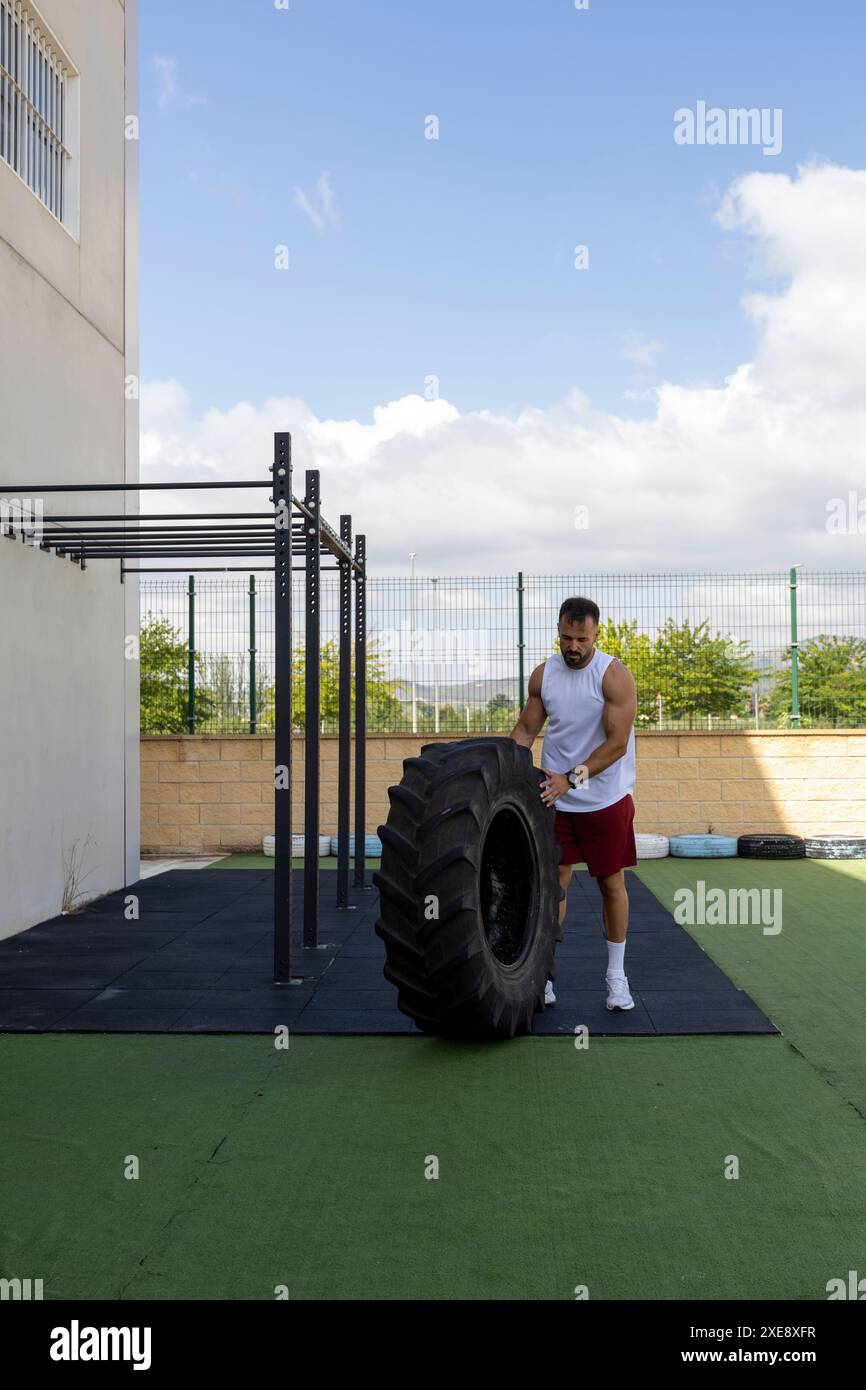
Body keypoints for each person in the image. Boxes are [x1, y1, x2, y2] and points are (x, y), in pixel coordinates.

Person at [509, 596, 638, 1010]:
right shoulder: (544, 675)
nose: (573, 647)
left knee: (610, 883)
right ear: (559, 632)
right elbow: (526, 731)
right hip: (555, 798)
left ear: (597, 633)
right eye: (566, 637)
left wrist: (572, 779)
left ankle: (616, 979)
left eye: (581, 638)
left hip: (604, 798)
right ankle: (544, 975)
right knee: (553, 886)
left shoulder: (613, 676)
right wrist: (501, 773)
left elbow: (616, 745)